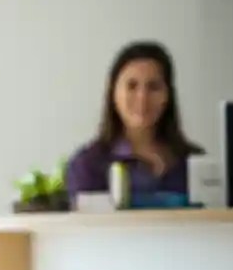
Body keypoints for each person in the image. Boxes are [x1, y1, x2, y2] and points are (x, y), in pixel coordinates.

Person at [66, 41, 203, 206]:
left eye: (154, 87)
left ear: (168, 95)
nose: (142, 98)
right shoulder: (88, 165)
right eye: (131, 86)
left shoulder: (195, 163)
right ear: (113, 94)